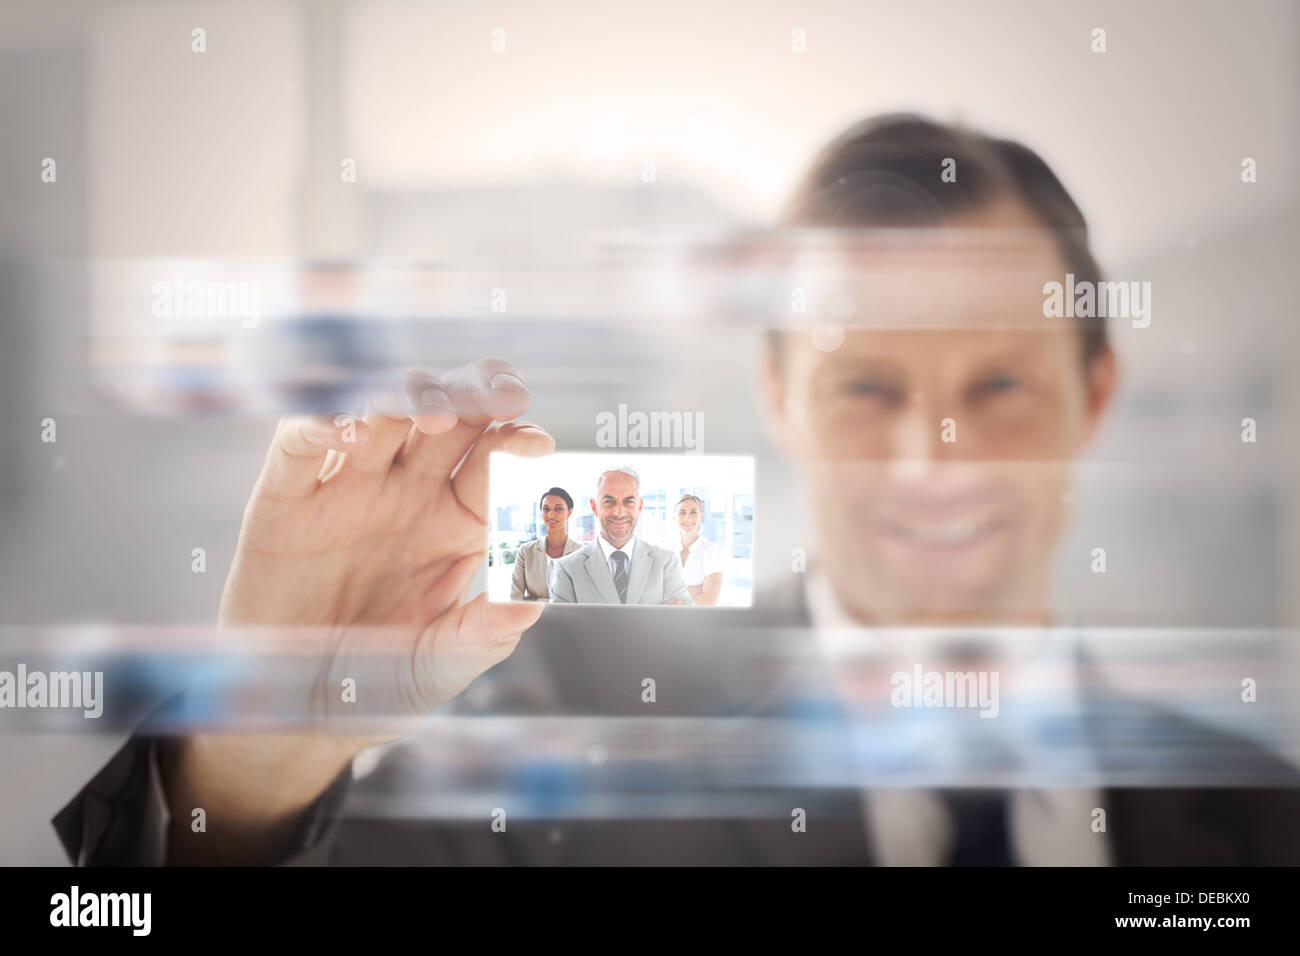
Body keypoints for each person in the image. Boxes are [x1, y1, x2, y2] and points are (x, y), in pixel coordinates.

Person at [53, 115, 1300, 866]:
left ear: (1093, 394)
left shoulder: (1259, 814)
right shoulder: (581, 721)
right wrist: (260, 746)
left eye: (999, 384)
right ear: (778, 396)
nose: (933, 456)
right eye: (867, 383)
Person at [548, 467, 694, 606]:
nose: (619, 512)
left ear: (639, 506)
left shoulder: (665, 562)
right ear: (594, 507)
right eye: (609, 501)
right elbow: (559, 629)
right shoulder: (567, 569)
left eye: (629, 501)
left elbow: (685, 621)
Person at [510, 487, 580, 600]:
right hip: (534, 618)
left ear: (569, 512)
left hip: (571, 618)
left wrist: (536, 601)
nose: (551, 515)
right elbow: (515, 599)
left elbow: (583, 601)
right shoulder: (526, 552)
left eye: (558, 509)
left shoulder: (582, 553)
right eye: (546, 509)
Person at [671, 494, 724, 606]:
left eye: (693, 512)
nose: (688, 517)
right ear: (675, 517)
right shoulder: (666, 552)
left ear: (701, 516)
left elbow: (709, 600)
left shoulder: (713, 551)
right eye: (682, 512)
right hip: (668, 620)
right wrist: (697, 590)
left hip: (700, 620)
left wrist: (675, 596)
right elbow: (656, 596)